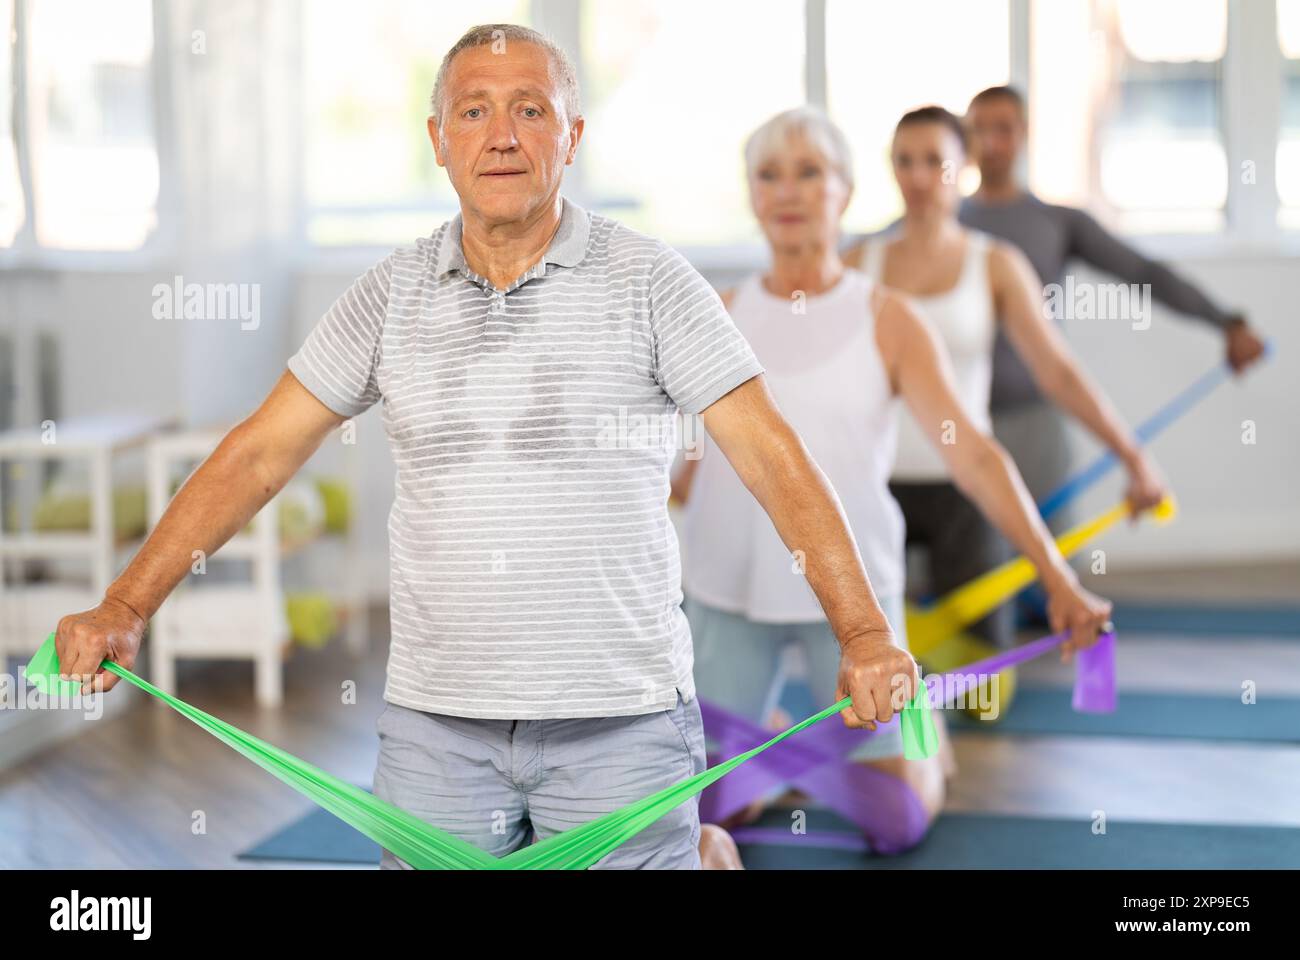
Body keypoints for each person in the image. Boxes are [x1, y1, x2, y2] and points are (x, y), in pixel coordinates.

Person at [52, 24, 939, 871]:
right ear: (438, 139)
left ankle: (701, 851)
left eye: (532, 108)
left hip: (622, 719)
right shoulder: (388, 294)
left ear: (572, 133)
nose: (502, 135)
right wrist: (127, 605)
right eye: (474, 111)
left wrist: (862, 631)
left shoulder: (653, 280)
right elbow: (257, 455)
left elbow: (769, 454)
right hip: (437, 725)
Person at [674, 106, 1116, 859]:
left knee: (893, 824)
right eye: (769, 175)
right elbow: (679, 468)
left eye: (809, 172)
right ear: (751, 195)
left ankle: (879, 745)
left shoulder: (890, 319)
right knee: (713, 810)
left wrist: (1059, 577)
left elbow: (973, 455)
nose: (788, 192)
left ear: (845, 191)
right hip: (727, 586)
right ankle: (783, 748)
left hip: (854, 606)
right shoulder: (716, 314)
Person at [842, 106, 1166, 651]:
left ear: (963, 166)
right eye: (904, 161)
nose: (918, 177)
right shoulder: (856, 262)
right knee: (872, 680)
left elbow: (1057, 372)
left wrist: (1133, 458)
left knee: (980, 693)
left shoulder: (994, 264)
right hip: (871, 486)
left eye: (934, 163)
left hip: (968, 488)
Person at [960, 84, 1266, 533]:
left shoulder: (1058, 222)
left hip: (1036, 422)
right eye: (978, 130)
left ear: (1023, 133)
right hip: (957, 426)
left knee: (1056, 578)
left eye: (1002, 129)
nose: (990, 142)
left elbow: (1146, 274)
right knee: (970, 578)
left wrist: (1227, 323)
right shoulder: (942, 223)